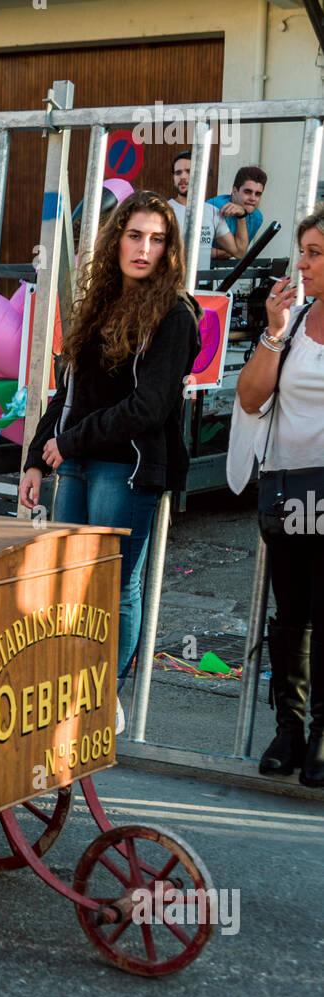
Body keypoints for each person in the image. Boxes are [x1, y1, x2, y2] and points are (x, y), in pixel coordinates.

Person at [18, 191, 202, 731]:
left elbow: (148, 408)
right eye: (135, 235)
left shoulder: (175, 315)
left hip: (126, 468)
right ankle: (71, 688)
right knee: (70, 583)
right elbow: (64, 393)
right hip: (73, 464)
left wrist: (70, 443)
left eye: (158, 239)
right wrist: (35, 458)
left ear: (170, 250)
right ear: (116, 238)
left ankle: (104, 697)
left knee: (116, 585)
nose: (145, 249)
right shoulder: (97, 304)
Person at [235, 203, 324, 786]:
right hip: (292, 487)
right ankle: (289, 728)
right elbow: (248, 398)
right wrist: (271, 330)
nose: (303, 264)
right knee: (291, 615)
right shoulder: (293, 320)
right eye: (304, 251)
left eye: (315, 253)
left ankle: (323, 730)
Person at [168, 150, 229, 272]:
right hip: (172, 285)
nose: (183, 177)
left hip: (203, 286)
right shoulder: (165, 210)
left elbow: (237, 252)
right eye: (178, 173)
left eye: (189, 172)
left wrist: (242, 216)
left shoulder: (212, 212)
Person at [208, 165, 267, 261]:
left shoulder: (257, 217)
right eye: (248, 192)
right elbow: (191, 248)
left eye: (258, 194)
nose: (252, 198)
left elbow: (240, 253)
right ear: (235, 192)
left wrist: (241, 216)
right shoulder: (215, 208)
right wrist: (222, 253)